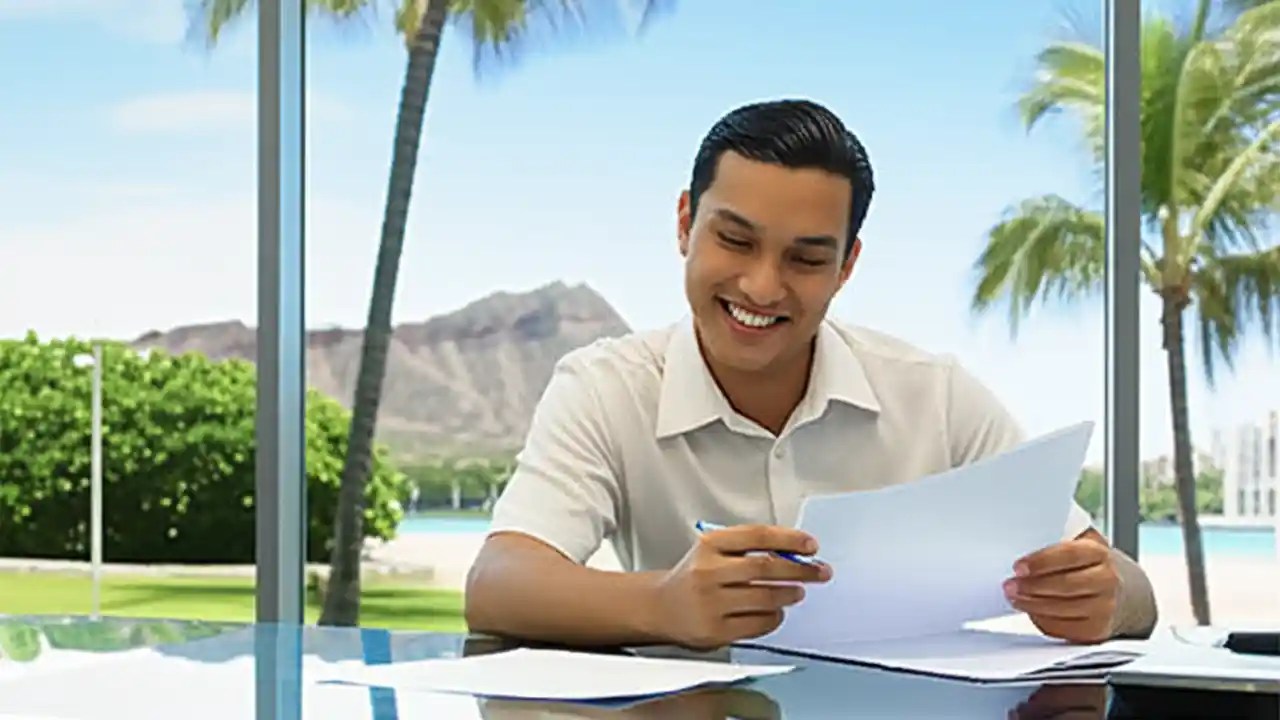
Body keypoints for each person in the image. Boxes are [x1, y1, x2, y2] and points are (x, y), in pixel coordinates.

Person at [464, 98, 1158, 651]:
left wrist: (1105, 595)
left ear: (847, 265)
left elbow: (1131, 590)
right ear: (685, 223)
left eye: (804, 259)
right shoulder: (606, 388)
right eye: (734, 240)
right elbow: (499, 584)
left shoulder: (936, 396)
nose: (762, 288)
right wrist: (665, 605)